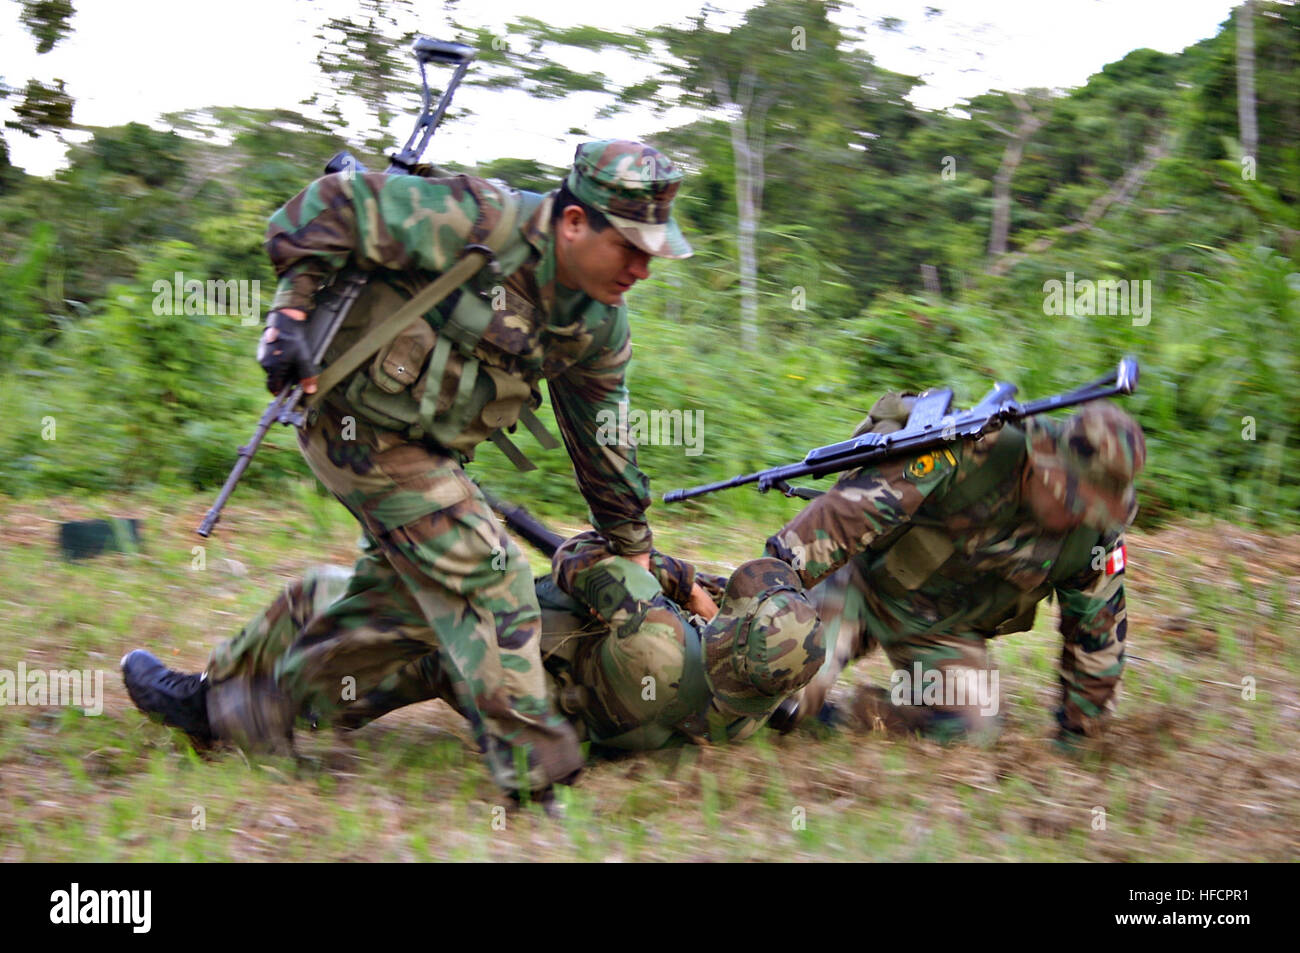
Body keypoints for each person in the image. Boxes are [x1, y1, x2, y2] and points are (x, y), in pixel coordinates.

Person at [122, 140, 718, 800]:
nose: (642, 267)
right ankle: (537, 777)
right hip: (350, 420)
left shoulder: (597, 325)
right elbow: (328, 206)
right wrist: (289, 315)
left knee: (399, 603)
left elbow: (604, 447)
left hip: (432, 455)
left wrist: (639, 559)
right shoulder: (479, 219)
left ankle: (218, 703)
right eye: (630, 246)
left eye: (653, 250)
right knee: (491, 569)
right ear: (574, 221)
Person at [123, 532, 823, 760]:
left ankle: (216, 705)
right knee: (401, 667)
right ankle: (290, 707)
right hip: (569, 720)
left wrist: (670, 577)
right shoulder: (752, 708)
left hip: (508, 660)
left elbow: (577, 560)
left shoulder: (662, 634)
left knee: (325, 595)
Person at [764, 395, 1145, 747]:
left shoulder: (1093, 540)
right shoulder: (973, 447)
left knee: (973, 728)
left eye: (1089, 507)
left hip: (938, 629)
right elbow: (845, 516)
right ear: (1045, 464)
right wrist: (772, 586)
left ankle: (845, 718)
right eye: (1071, 497)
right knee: (779, 688)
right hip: (858, 586)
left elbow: (1097, 634)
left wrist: (1080, 733)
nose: (1077, 515)